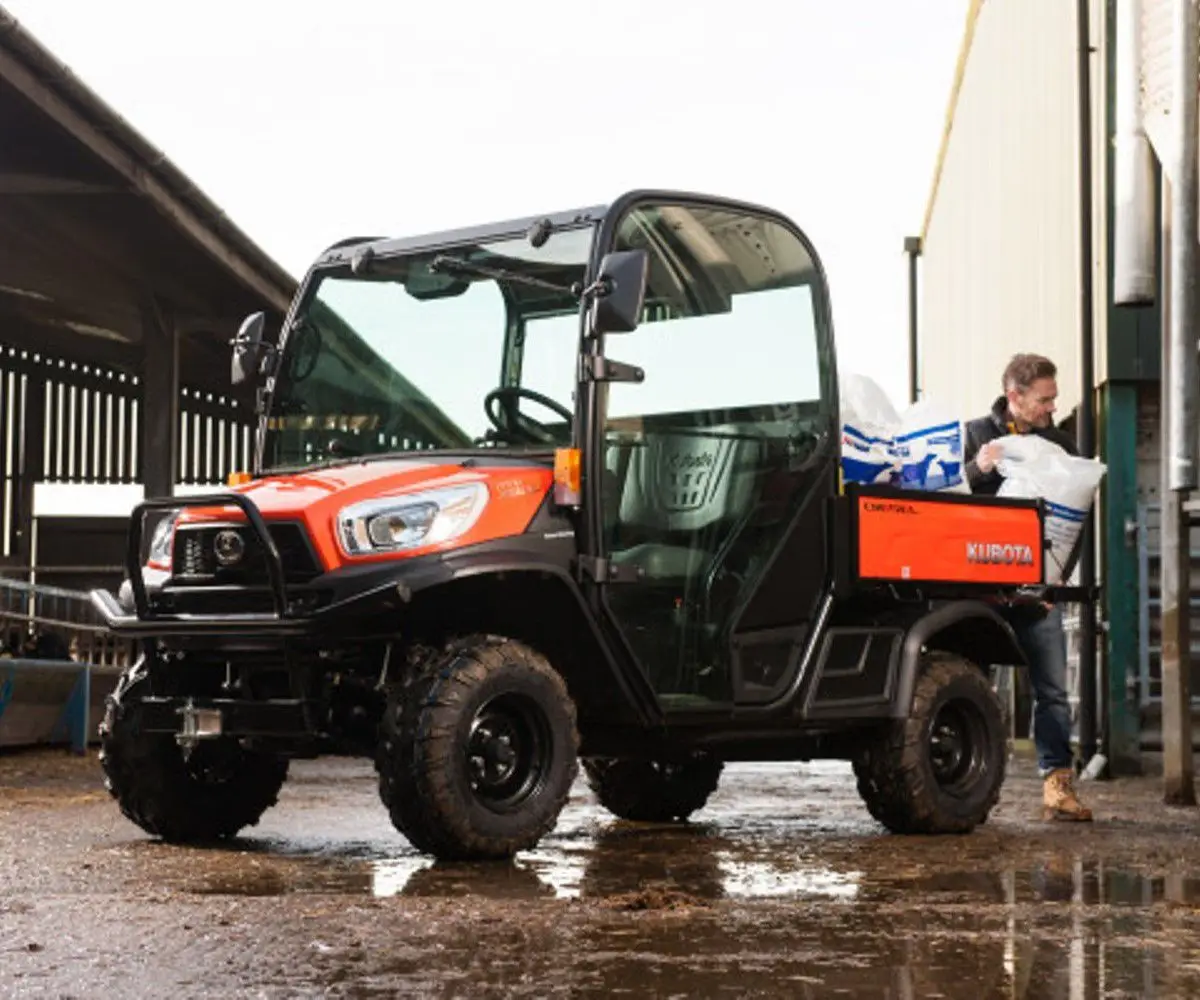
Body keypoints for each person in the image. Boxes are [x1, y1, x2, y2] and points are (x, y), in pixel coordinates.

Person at [963, 352, 1093, 822]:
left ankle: (1058, 786)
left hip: (1040, 593)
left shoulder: (1059, 443)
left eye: (1053, 399)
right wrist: (978, 468)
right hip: (984, 592)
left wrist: (1056, 578)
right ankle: (969, 784)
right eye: (1045, 399)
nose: (1051, 409)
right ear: (1014, 396)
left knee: (1052, 690)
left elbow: (1075, 518)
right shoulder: (977, 435)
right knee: (973, 685)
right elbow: (952, 498)